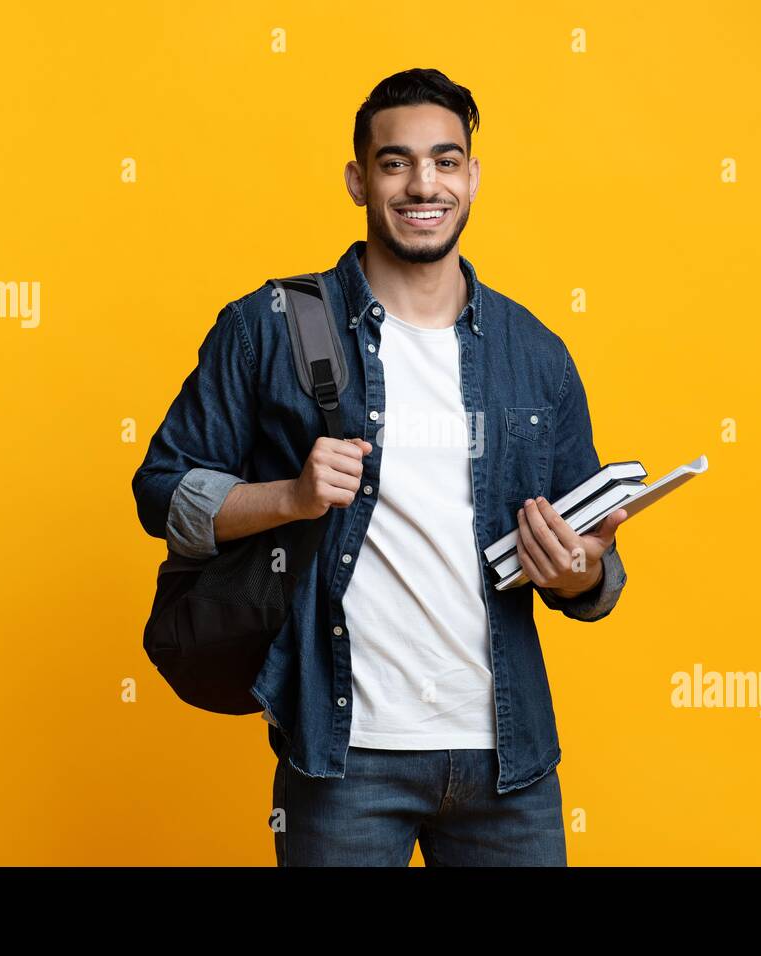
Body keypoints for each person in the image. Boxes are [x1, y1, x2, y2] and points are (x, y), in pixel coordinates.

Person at [132, 67, 630, 866]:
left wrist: (580, 571)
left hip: (509, 761)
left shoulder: (535, 353)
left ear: (472, 177)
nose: (423, 184)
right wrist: (290, 497)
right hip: (344, 758)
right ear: (358, 181)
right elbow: (162, 493)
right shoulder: (271, 325)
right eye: (396, 163)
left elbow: (591, 572)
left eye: (445, 161)